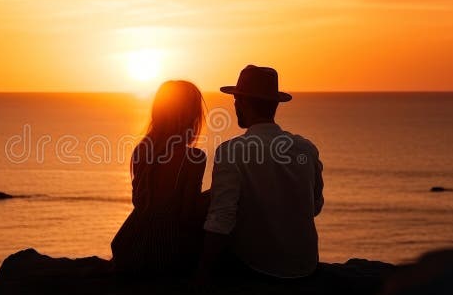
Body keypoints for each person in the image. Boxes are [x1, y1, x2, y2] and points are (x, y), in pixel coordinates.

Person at [196, 65, 324, 281]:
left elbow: (221, 219)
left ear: (242, 103)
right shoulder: (306, 148)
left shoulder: (232, 151)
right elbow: (315, 207)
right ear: (275, 105)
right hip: (306, 266)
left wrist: (202, 275)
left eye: (236, 100)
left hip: (258, 267)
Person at [111, 80, 210, 276]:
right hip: (166, 252)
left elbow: (139, 202)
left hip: (131, 245)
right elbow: (187, 215)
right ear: (192, 116)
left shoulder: (142, 149)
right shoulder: (194, 158)